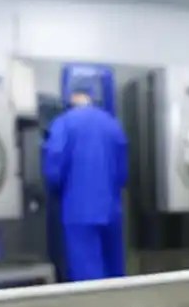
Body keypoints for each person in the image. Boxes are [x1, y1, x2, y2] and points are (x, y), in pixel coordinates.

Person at [42, 88, 128, 281]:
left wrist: (53, 191)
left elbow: (54, 169)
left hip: (79, 208)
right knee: (115, 268)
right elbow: (123, 172)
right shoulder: (112, 124)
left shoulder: (64, 123)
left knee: (87, 271)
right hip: (111, 208)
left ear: (70, 99)